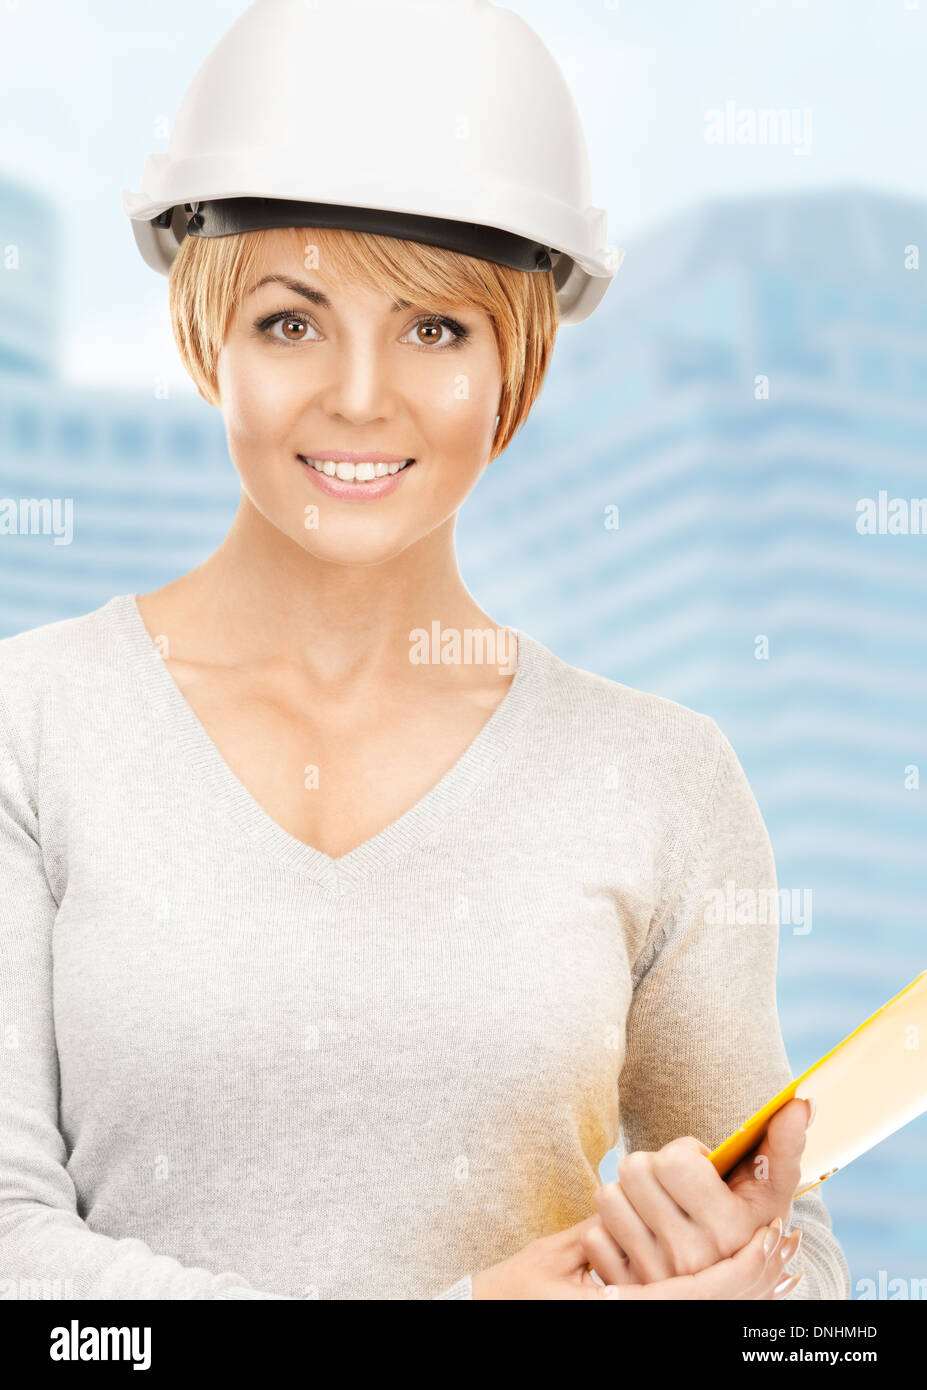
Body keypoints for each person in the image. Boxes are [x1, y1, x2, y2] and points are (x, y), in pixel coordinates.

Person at [0, 0, 850, 1300]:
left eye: (435, 328)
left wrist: (740, 1284)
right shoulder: (34, 726)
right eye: (291, 320)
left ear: (521, 361)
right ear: (202, 333)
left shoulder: (663, 777)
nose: (358, 394)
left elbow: (805, 1284)